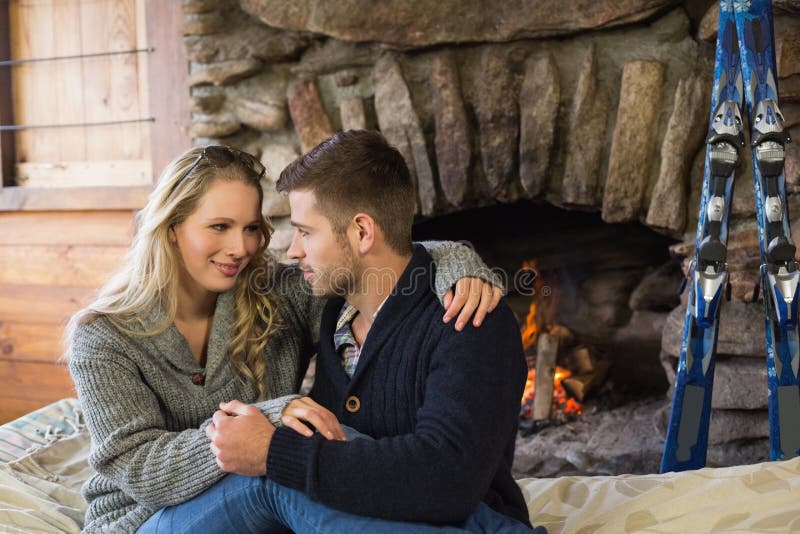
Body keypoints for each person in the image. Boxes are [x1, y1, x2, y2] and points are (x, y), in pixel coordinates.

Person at [66, 144, 504, 533]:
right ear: (172, 226)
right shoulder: (103, 336)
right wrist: (272, 418)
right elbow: (143, 472)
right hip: (145, 519)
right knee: (279, 470)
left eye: (251, 227)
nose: (241, 247)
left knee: (311, 460)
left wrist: (459, 263)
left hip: (260, 516)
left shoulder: (275, 297)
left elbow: (377, 266)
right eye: (219, 226)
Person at [190, 130, 538, 533]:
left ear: (361, 232)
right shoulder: (332, 313)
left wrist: (275, 452)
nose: (293, 251)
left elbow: (448, 476)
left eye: (306, 231)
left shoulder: (469, 322)